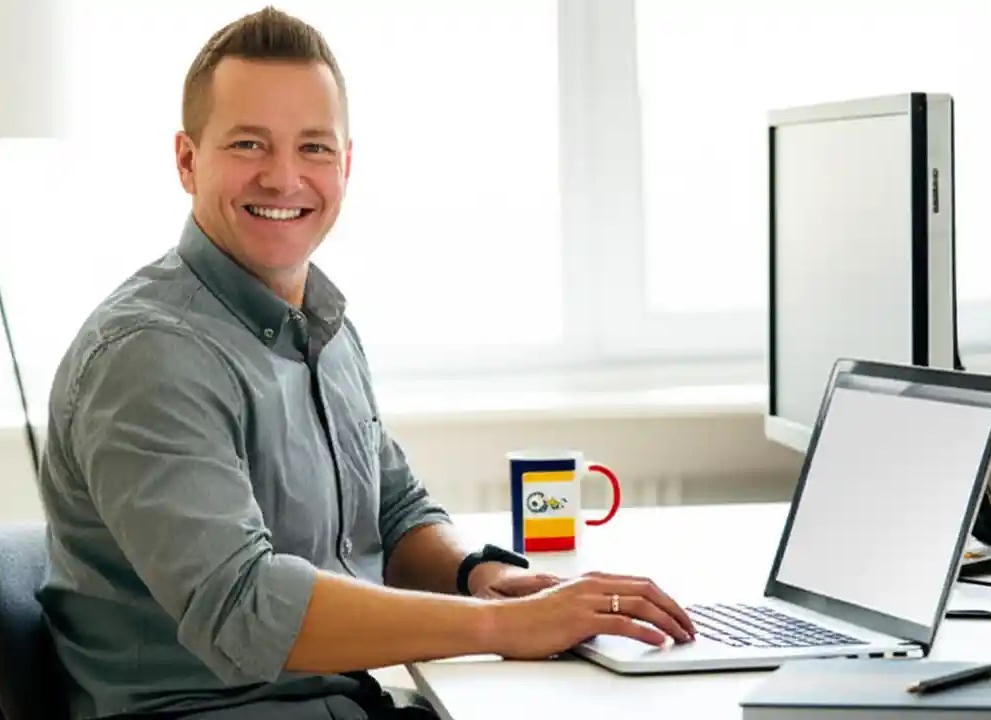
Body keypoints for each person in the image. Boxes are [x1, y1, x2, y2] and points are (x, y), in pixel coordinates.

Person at [35, 7, 696, 720]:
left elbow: (395, 510)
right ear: (188, 160)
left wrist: (487, 578)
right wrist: (503, 630)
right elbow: (246, 606)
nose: (284, 178)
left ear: (346, 164)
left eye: (314, 148)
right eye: (250, 144)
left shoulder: (322, 327)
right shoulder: (148, 356)